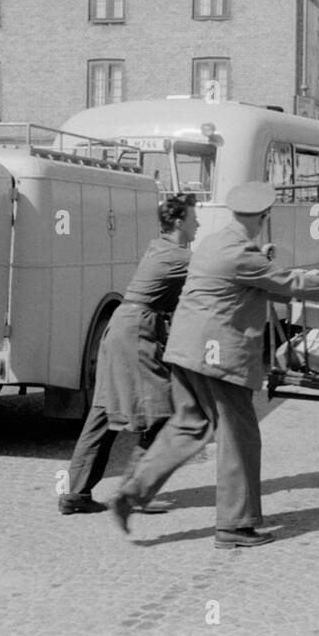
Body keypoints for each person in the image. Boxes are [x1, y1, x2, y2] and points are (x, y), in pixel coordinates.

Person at [112, 182, 319, 548]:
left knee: (188, 426)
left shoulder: (214, 243)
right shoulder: (244, 256)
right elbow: (291, 282)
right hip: (218, 355)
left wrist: (264, 259)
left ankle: (133, 491)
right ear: (264, 216)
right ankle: (234, 525)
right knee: (238, 436)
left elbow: (257, 282)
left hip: (185, 350)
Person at [58, 193, 199, 515]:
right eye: (194, 218)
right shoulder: (177, 256)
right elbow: (218, 266)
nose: (199, 223)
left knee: (103, 415)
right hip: (136, 333)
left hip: (123, 328)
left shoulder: (160, 248)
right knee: (165, 411)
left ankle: (75, 493)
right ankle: (134, 493)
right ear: (179, 221)